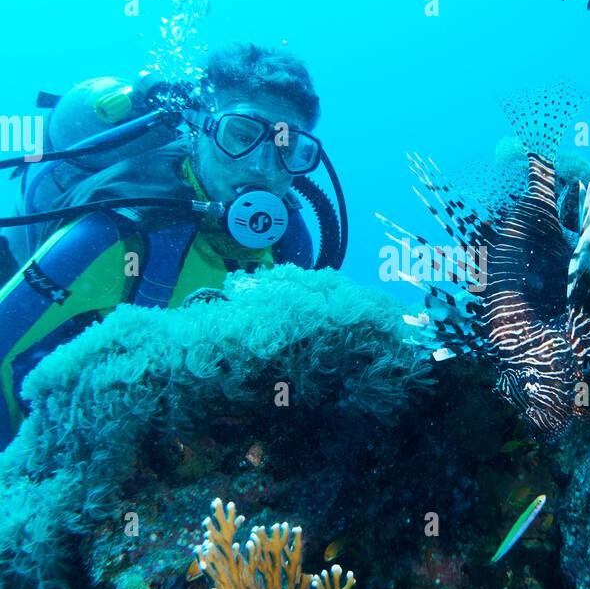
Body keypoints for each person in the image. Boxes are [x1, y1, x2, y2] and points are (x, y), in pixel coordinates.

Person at [0, 43, 347, 447]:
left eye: (288, 148)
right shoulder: (116, 232)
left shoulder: (291, 242)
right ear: (200, 127)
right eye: (241, 134)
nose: (263, 166)